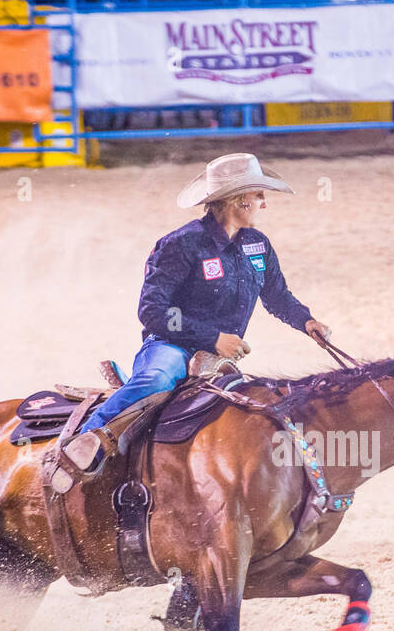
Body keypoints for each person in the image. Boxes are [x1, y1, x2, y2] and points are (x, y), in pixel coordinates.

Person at [64, 152, 329, 472]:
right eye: (259, 195)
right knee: (157, 379)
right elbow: (153, 310)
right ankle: (84, 439)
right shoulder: (181, 244)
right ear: (238, 200)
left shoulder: (257, 245)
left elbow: (277, 296)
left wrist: (307, 321)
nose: (264, 203)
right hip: (170, 346)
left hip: (219, 357)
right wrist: (213, 338)